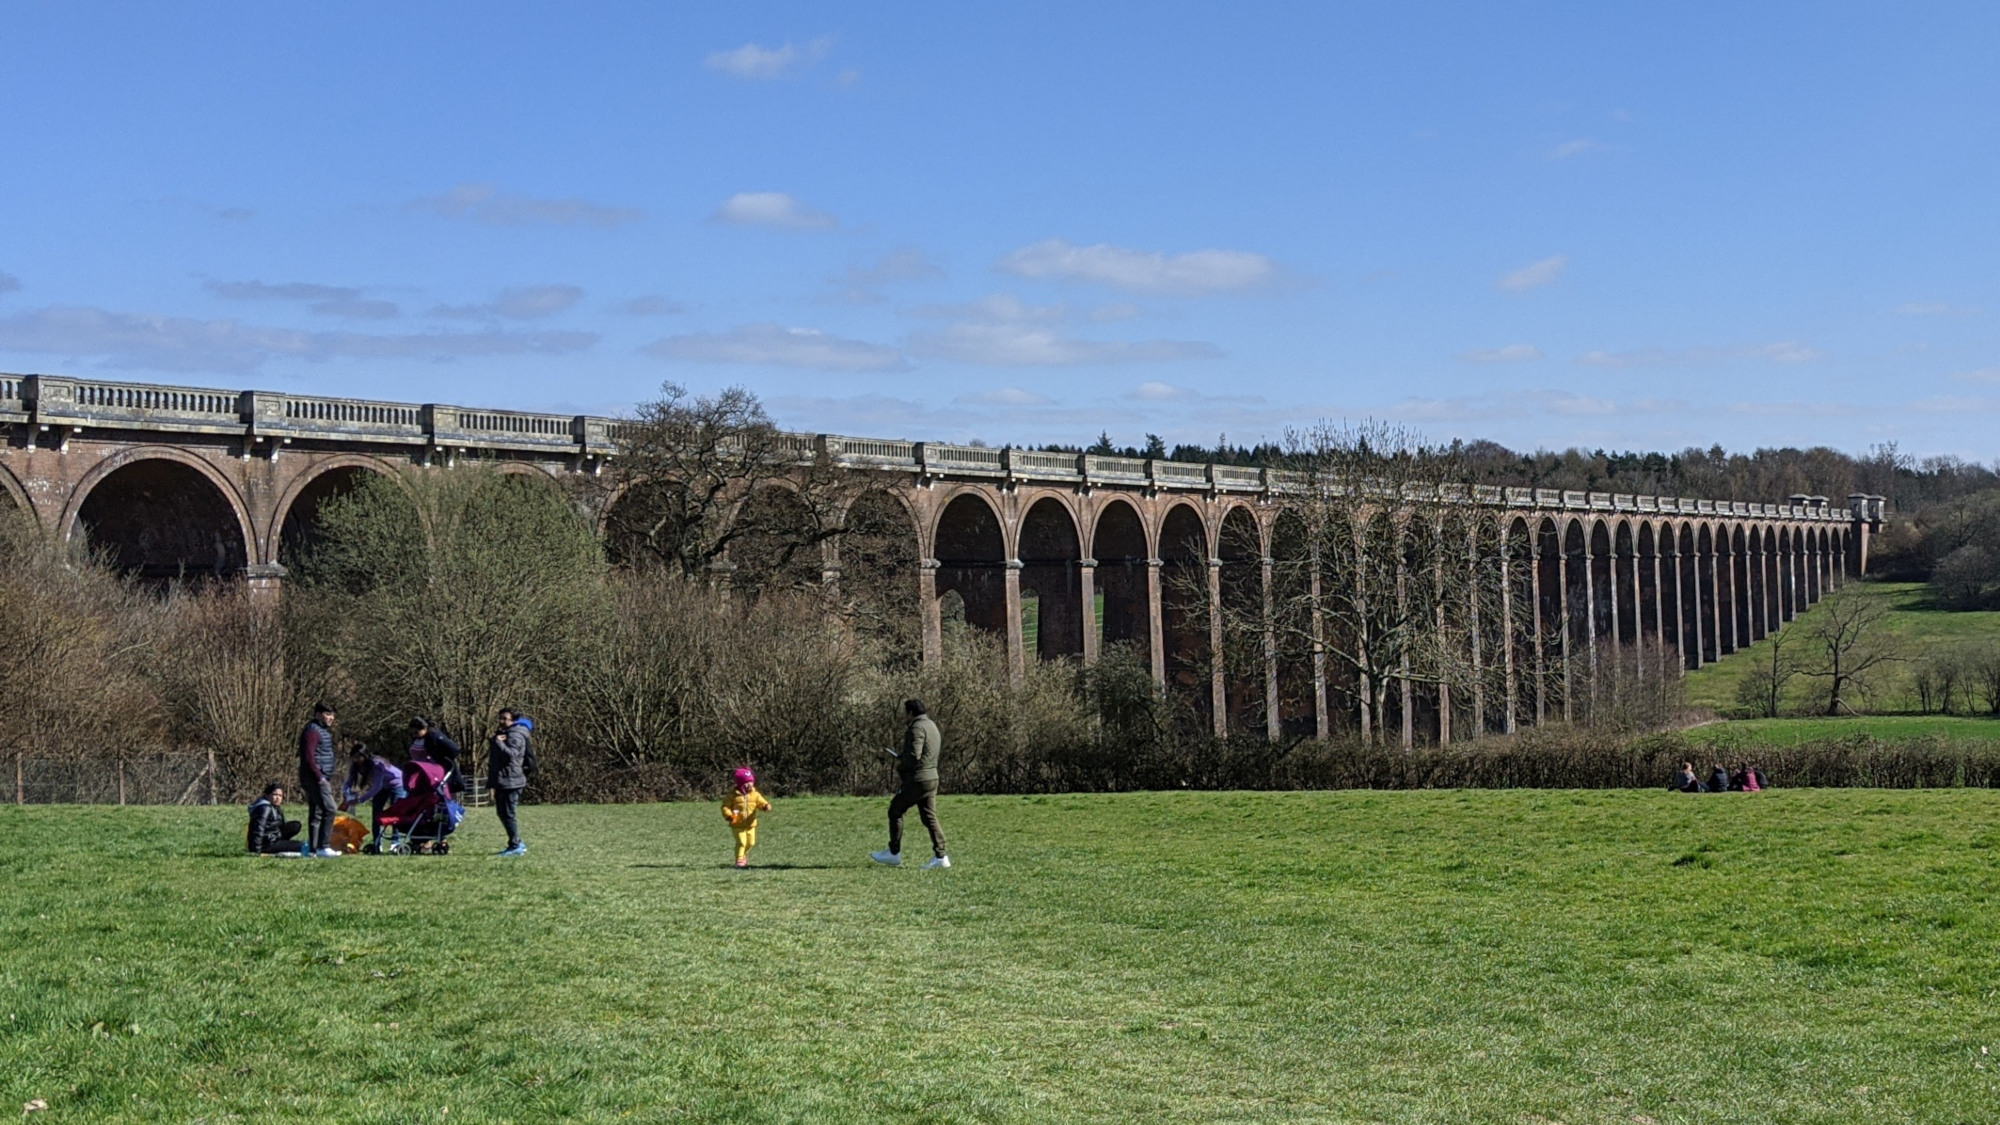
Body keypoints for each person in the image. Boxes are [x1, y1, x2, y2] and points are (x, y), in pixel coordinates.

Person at [871, 698, 950, 870]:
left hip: (918, 779)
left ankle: (893, 853)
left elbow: (915, 755)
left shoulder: (916, 728)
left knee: (895, 810)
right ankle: (941, 856)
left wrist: (902, 763)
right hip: (932, 778)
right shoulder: (932, 725)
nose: (904, 717)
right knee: (929, 817)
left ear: (911, 713)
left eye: (905, 713)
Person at [343, 742, 407, 852]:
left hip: (397, 784)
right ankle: (377, 843)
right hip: (383, 785)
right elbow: (348, 782)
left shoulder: (377, 764)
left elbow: (376, 787)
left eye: (359, 757)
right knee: (376, 812)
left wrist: (360, 800)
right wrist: (346, 792)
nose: (356, 760)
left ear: (365, 755)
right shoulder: (356, 765)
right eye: (354, 758)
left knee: (396, 812)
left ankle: (395, 842)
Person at [297, 702, 341, 857]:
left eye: (332, 715)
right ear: (317, 714)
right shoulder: (313, 732)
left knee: (316, 813)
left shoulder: (322, 731)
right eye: (327, 714)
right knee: (330, 809)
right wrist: (320, 776)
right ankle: (324, 846)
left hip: (318, 777)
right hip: (315, 778)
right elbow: (309, 757)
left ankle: (313, 850)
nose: (331, 718)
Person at [488, 708, 530, 856]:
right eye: (500, 718)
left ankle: (515, 845)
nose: (501, 722)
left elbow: (512, 756)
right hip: (504, 780)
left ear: (513, 720)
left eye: (505, 719)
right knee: (502, 813)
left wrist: (499, 744)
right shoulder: (504, 734)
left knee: (508, 813)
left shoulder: (515, 735)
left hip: (512, 781)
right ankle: (516, 842)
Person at [720, 767, 773, 868]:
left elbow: (761, 802)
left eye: (751, 782)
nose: (749, 785)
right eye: (746, 783)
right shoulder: (732, 795)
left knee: (751, 842)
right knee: (741, 842)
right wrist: (729, 815)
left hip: (751, 824)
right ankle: (739, 860)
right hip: (737, 823)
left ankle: (743, 855)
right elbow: (725, 806)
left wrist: (765, 806)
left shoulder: (755, 794)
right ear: (740, 784)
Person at [408, 717, 463, 796]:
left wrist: (442, 758)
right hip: (423, 770)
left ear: (424, 728)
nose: (414, 735)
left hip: (437, 770)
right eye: (412, 733)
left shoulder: (434, 735)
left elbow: (454, 748)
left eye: (416, 732)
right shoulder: (417, 739)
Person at [246, 783, 302, 855]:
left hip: (274, 837)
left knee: (295, 825)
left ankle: (283, 843)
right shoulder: (265, 808)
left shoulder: (274, 807)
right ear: (267, 795)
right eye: (275, 795)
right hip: (267, 844)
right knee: (301, 846)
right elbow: (258, 829)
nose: (278, 798)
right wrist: (257, 851)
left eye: (280, 796)